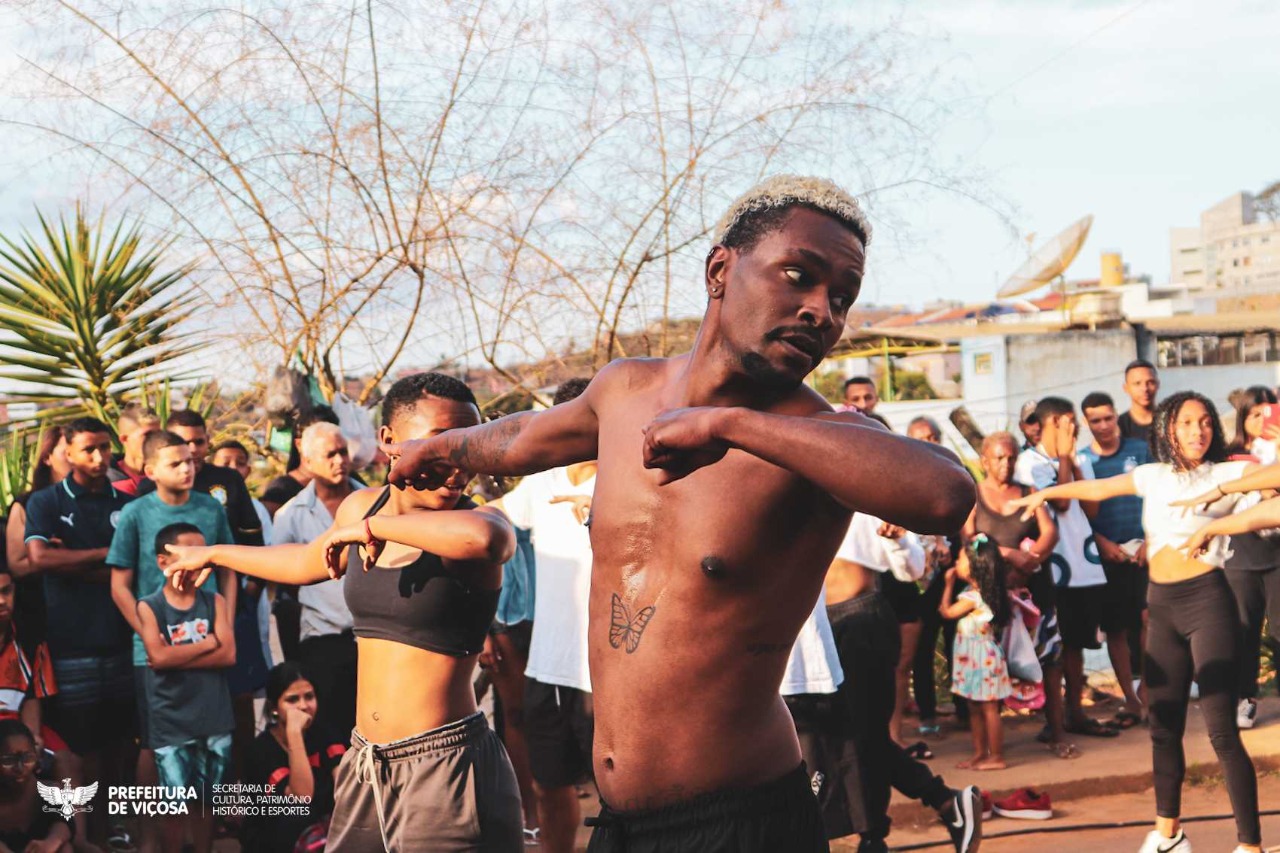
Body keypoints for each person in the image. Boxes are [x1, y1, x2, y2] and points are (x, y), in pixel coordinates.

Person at [379, 176, 976, 851]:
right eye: (798, 276)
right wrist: (442, 446)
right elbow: (524, 437)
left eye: (841, 298)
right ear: (720, 269)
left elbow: (946, 494)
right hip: (624, 822)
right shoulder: (625, 389)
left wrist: (732, 424)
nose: (821, 311)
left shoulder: (819, 437)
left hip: (742, 820)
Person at [163, 372, 523, 851]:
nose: (458, 464)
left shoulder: (478, 520)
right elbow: (302, 561)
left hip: (446, 766)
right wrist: (213, 554)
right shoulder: (360, 507)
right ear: (389, 441)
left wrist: (377, 528)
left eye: (468, 447)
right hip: (365, 762)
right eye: (441, 444)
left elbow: (488, 540)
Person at [1011, 391, 1263, 853]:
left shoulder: (1229, 472)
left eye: (1205, 422)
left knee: (1221, 730)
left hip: (1209, 603)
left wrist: (1231, 492)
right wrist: (1047, 491)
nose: (1198, 431)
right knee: (1162, 725)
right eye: (1187, 422)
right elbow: (1097, 490)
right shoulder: (1153, 475)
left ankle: (1249, 845)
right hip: (1161, 605)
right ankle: (1169, 834)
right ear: (1168, 428)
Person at [107, 430, 237, 853]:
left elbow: (230, 569)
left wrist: (226, 624)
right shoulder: (135, 513)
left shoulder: (210, 508)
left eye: (191, 461)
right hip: (155, 649)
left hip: (210, 639)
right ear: (150, 471)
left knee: (208, 738)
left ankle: (201, 837)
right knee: (157, 743)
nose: (188, 468)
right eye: (176, 463)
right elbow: (119, 585)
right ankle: (153, 837)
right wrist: (148, 632)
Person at [822, 512, 981, 853]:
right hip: (814, 627)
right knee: (834, 732)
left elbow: (912, 570)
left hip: (859, 620)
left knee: (863, 736)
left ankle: (873, 836)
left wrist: (898, 539)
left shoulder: (866, 497)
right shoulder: (799, 494)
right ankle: (944, 802)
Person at [489, 378, 596, 853]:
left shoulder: (634, 476)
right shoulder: (543, 482)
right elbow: (492, 515)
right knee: (550, 787)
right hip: (549, 668)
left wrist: (603, 510)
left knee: (624, 794)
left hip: (610, 672)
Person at [22, 418, 135, 849]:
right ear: (67, 451)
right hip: (70, 643)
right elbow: (39, 558)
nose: (98, 458)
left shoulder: (129, 499)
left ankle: (115, 831)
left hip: (124, 638)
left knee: (119, 745)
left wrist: (73, 558)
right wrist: (107, 555)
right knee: (77, 748)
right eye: (88, 449)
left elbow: (136, 563)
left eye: (105, 448)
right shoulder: (46, 501)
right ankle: (80, 836)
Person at [1013, 397, 1115, 740]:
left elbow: (1092, 507)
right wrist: (1067, 458)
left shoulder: (1074, 458)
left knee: (1078, 645)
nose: (1075, 431)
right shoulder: (1030, 464)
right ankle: (1056, 719)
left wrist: (1072, 459)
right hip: (1055, 569)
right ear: (1053, 423)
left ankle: (1076, 712)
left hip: (1082, 566)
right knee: (1057, 646)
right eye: (1069, 424)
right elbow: (1060, 499)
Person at [963, 432, 1067, 757]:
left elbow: (1050, 531)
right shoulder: (974, 497)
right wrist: (1008, 555)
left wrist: (1030, 559)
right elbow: (969, 540)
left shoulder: (1028, 492)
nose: (1005, 464)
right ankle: (990, 750)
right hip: (991, 600)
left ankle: (1057, 734)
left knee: (1050, 662)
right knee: (986, 668)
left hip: (1033, 592)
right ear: (984, 461)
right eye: (998, 458)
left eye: (1011, 457)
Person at [136, 523, 234, 853]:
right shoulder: (149, 606)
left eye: (203, 556)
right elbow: (157, 657)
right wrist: (208, 643)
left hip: (214, 717)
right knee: (174, 804)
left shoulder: (215, 600)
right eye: (189, 555)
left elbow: (229, 653)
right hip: (171, 722)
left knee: (206, 803)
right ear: (164, 562)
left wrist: (173, 657)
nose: (198, 564)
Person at [271, 422, 360, 738]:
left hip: (373, 638)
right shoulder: (290, 514)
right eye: (330, 454)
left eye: (343, 452)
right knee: (331, 735)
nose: (340, 461)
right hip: (322, 641)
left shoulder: (374, 503)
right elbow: (284, 582)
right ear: (307, 462)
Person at [1080, 391, 1149, 724]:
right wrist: (1102, 542)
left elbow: (1157, 495)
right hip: (1108, 557)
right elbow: (1080, 514)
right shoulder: (1082, 462)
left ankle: (1151, 692)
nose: (1104, 425)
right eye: (1096, 420)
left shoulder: (1140, 450)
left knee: (1153, 620)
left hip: (1146, 553)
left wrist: (1151, 539)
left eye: (1109, 418)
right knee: (1117, 630)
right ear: (1086, 422)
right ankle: (1131, 700)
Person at [1218, 386, 1280, 730]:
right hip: (1241, 557)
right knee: (1245, 631)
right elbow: (1235, 506)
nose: (1263, 420)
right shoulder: (1231, 458)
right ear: (1243, 417)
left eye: (1269, 412)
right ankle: (1244, 699)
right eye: (1255, 414)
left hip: (1277, 556)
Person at [241, 662, 346, 853]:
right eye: (292, 700)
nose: (303, 706)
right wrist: (294, 734)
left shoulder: (324, 733)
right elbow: (301, 799)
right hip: (276, 839)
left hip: (321, 833)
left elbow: (345, 788)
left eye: (309, 697)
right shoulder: (261, 750)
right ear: (274, 708)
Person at [902, 417, 960, 740]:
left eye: (933, 436)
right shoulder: (904, 477)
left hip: (948, 573)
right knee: (921, 649)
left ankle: (964, 708)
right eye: (920, 437)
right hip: (914, 576)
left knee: (955, 643)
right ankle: (926, 711)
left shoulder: (953, 472)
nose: (928, 442)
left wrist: (946, 546)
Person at [139, 411, 263, 547]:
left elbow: (251, 534)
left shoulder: (229, 479)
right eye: (184, 442)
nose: (193, 449)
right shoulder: (151, 485)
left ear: (207, 440)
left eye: (199, 442)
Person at [940, 536, 1012, 770]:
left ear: (974, 565)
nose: (956, 563)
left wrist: (948, 584)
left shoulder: (972, 597)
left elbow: (947, 612)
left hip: (980, 659)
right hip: (975, 658)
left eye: (961, 559)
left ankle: (996, 756)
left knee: (988, 709)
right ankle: (981, 752)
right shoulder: (986, 592)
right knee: (977, 707)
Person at [6, 426, 73, 647]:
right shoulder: (26, 504)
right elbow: (16, 566)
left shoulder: (99, 501)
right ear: (47, 457)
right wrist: (51, 557)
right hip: (40, 614)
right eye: (67, 452)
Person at [0, 719, 73, 853]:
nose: (20, 768)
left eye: (28, 758)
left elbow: (64, 822)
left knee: (65, 848)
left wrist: (50, 843)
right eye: (9, 761)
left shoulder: (47, 790)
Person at [109, 404, 161, 496]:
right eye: (147, 435)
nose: (155, 439)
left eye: (159, 434)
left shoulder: (167, 476)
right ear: (124, 439)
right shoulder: (105, 480)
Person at [1118, 359, 1159, 444]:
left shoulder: (1170, 421)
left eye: (1150, 382)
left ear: (1157, 385)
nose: (1145, 389)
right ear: (1126, 388)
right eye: (1137, 383)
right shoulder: (1118, 426)